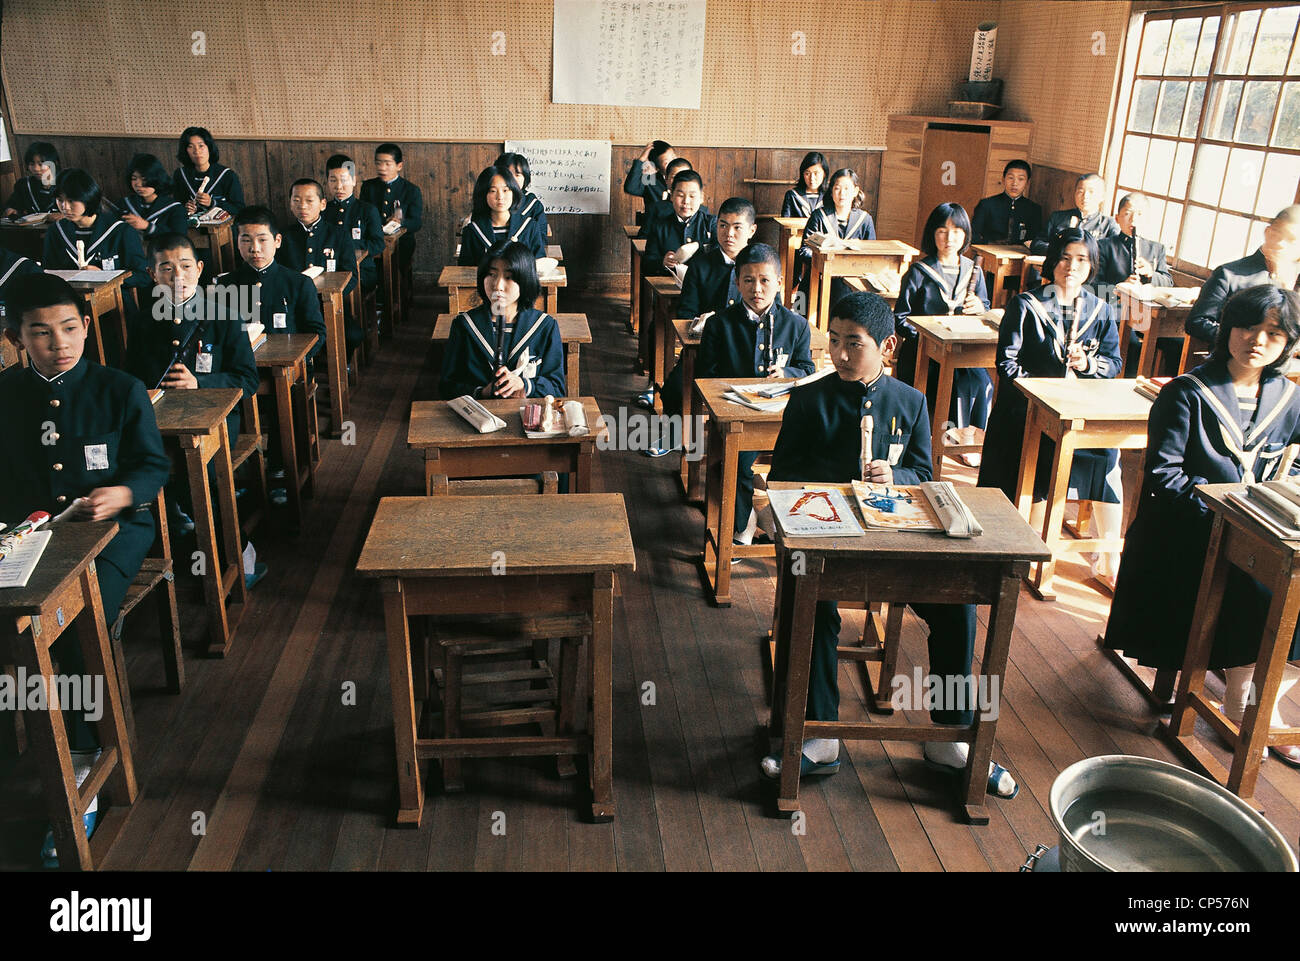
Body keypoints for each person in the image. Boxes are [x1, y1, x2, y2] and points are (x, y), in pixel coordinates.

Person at [760, 290, 1017, 798]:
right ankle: (820, 734)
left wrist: (893, 473)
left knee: (958, 608)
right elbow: (783, 478)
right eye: (833, 341)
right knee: (811, 605)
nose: (838, 354)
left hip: (896, 545)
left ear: (888, 344)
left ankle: (948, 736)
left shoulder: (911, 402)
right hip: (829, 544)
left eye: (854, 343)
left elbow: (923, 473)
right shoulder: (809, 399)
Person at [0, 273, 170, 866]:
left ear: (86, 325)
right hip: (26, 538)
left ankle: (78, 762)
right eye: (41, 333)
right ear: (16, 338)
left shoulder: (119, 388)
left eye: (69, 328)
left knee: (67, 630)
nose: (59, 343)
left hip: (109, 535)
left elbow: (153, 464)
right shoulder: (5, 394)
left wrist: (122, 493)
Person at [1105, 285, 1300, 767]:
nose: (1257, 341)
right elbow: (1164, 477)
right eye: (1247, 327)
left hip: (1266, 527)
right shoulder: (1186, 392)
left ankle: (1262, 691)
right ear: (1228, 327)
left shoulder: (1290, 398)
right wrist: (1229, 512)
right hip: (1191, 530)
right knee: (1256, 588)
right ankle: (1245, 701)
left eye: (1274, 334)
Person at [977, 227, 1125, 581]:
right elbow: (1007, 365)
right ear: (1052, 261)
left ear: (1092, 266)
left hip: (1078, 412)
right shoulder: (1026, 305)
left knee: (1108, 458)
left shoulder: (1101, 309)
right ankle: (1026, 546)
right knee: (1040, 462)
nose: (1071, 267)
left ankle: (1108, 557)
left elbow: (1114, 363)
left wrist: (1088, 364)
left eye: (1081, 260)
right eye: (1064, 258)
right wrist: (1040, 392)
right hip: (1027, 411)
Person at [697, 243, 815, 545]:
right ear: (737, 282)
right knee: (734, 460)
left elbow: (806, 368)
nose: (756, 289)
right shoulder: (719, 324)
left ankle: (781, 518)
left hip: (783, 418)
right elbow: (705, 377)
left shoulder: (797, 325)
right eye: (748, 280)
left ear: (779, 282)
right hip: (735, 417)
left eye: (765, 280)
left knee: (805, 458)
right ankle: (744, 522)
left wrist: (787, 375)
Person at [637, 197, 758, 419]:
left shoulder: (761, 264)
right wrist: (702, 321)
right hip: (706, 350)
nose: (729, 234)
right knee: (674, 390)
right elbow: (685, 313)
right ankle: (676, 437)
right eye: (723, 225)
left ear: (751, 230)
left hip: (750, 352)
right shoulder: (701, 264)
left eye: (737, 227)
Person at [894, 203, 993, 466]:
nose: (949, 238)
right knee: (938, 383)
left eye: (957, 231)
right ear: (932, 234)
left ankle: (966, 438)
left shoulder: (974, 271)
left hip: (962, 351)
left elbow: (986, 311)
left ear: (966, 235)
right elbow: (901, 318)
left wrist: (980, 309)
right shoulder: (918, 271)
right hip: (923, 351)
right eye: (942, 231)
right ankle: (934, 438)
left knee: (982, 383)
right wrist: (928, 337)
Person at [440, 241, 564, 400]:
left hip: (526, 417)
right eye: (491, 274)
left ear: (525, 280)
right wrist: (481, 392)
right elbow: (447, 386)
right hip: (477, 416)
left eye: (509, 277)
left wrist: (525, 385)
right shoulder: (464, 325)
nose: (498, 285)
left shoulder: (545, 326)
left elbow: (557, 388)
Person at [1186, 205, 1300, 344]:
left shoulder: (1295, 279)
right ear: (1267, 232)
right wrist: (1241, 339)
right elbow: (1197, 322)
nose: (1282, 244)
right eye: (1278, 234)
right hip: (1236, 358)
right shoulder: (1229, 275)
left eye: (1291, 239)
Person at [278, 178, 361, 352]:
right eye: (296, 201)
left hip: (328, 305)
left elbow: (351, 275)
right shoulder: (283, 237)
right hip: (294, 306)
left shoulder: (338, 235)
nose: (302, 206)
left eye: (309, 201)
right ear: (290, 204)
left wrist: (333, 296)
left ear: (323, 204)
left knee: (352, 335)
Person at [44, 170, 149, 296]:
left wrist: (104, 276)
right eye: (60, 200)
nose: (65, 206)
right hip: (70, 302)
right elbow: (48, 273)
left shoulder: (121, 231)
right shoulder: (55, 232)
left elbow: (143, 276)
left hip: (114, 302)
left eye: (71, 200)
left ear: (88, 197)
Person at [795, 167, 875, 309]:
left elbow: (871, 255)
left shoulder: (865, 220)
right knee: (801, 304)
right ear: (831, 191)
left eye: (846, 189)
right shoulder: (819, 216)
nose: (842, 194)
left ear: (855, 191)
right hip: (817, 277)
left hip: (851, 281)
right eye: (837, 188)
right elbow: (803, 251)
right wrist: (822, 256)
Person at [360, 143, 423, 301]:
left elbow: (416, 223)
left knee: (393, 268)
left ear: (399, 165)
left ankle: (392, 302)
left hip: (402, 242)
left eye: (387, 164)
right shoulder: (369, 187)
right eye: (378, 163)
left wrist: (401, 222)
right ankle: (378, 304)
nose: (382, 168)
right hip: (374, 239)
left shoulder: (411, 190)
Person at [458, 165, 546, 266]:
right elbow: (465, 271)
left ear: (514, 192)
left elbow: (539, 266)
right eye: (493, 191)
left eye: (505, 190)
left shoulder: (530, 227)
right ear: (483, 195)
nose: (500, 197)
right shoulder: (472, 231)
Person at [325, 153, 384, 298]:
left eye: (344, 180)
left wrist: (348, 245)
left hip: (361, 270)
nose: (339, 187)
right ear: (327, 182)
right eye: (333, 180)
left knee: (341, 293)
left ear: (354, 181)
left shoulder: (367, 210)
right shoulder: (323, 210)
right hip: (330, 270)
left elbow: (378, 244)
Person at [641, 170, 715, 275]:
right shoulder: (659, 226)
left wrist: (699, 245)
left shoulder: (711, 223)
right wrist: (662, 262)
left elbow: (720, 253)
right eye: (680, 195)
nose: (686, 201)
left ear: (701, 197)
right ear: (671, 196)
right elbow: (648, 262)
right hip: (669, 285)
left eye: (692, 196)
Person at [1030, 173, 1118, 252]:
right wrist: (1061, 251)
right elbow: (1037, 244)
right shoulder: (1057, 217)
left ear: (1102, 196)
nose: (1085, 196)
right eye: (1080, 191)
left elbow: (1111, 254)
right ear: (1074, 193)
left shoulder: (1108, 224)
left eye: (1091, 192)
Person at [173, 126, 245, 216]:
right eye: (191, 147)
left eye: (201, 146)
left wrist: (213, 203)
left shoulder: (227, 175)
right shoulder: (180, 175)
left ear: (209, 148)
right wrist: (186, 208)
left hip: (220, 228)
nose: (197, 151)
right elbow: (175, 207)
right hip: (191, 227)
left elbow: (239, 209)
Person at [971, 159, 1042, 246]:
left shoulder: (1034, 209)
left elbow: (1035, 240)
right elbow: (973, 235)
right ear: (1003, 179)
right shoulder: (986, 204)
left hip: (1020, 256)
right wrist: (989, 243)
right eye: (1010, 178)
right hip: (988, 253)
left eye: (1021, 179)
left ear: (1027, 183)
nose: (1015, 183)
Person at [120, 153, 188, 239]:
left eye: (144, 179)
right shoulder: (124, 204)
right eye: (134, 178)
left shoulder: (175, 209)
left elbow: (180, 238)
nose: (138, 184)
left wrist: (148, 227)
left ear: (157, 178)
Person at [495, 151, 548, 244]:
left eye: (517, 175)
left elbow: (541, 240)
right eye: (508, 174)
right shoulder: (491, 201)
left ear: (525, 178)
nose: (512, 180)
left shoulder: (533, 205)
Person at [2, 141, 60, 216]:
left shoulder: (66, 183)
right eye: (32, 164)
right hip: (33, 227)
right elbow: (12, 205)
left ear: (54, 163)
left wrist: (64, 216)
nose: (36, 169)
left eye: (41, 164)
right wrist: (10, 210)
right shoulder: (24, 185)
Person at [622, 140, 677, 213]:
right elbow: (631, 188)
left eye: (674, 157)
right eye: (666, 163)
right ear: (657, 168)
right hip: (656, 222)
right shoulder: (651, 181)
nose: (673, 163)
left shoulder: (687, 179)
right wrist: (641, 160)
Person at [780, 151, 829, 219]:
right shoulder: (792, 196)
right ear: (802, 174)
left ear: (824, 174)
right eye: (807, 173)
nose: (812, 178)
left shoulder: (830, 196)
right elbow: (785, 225)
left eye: (816, 173)